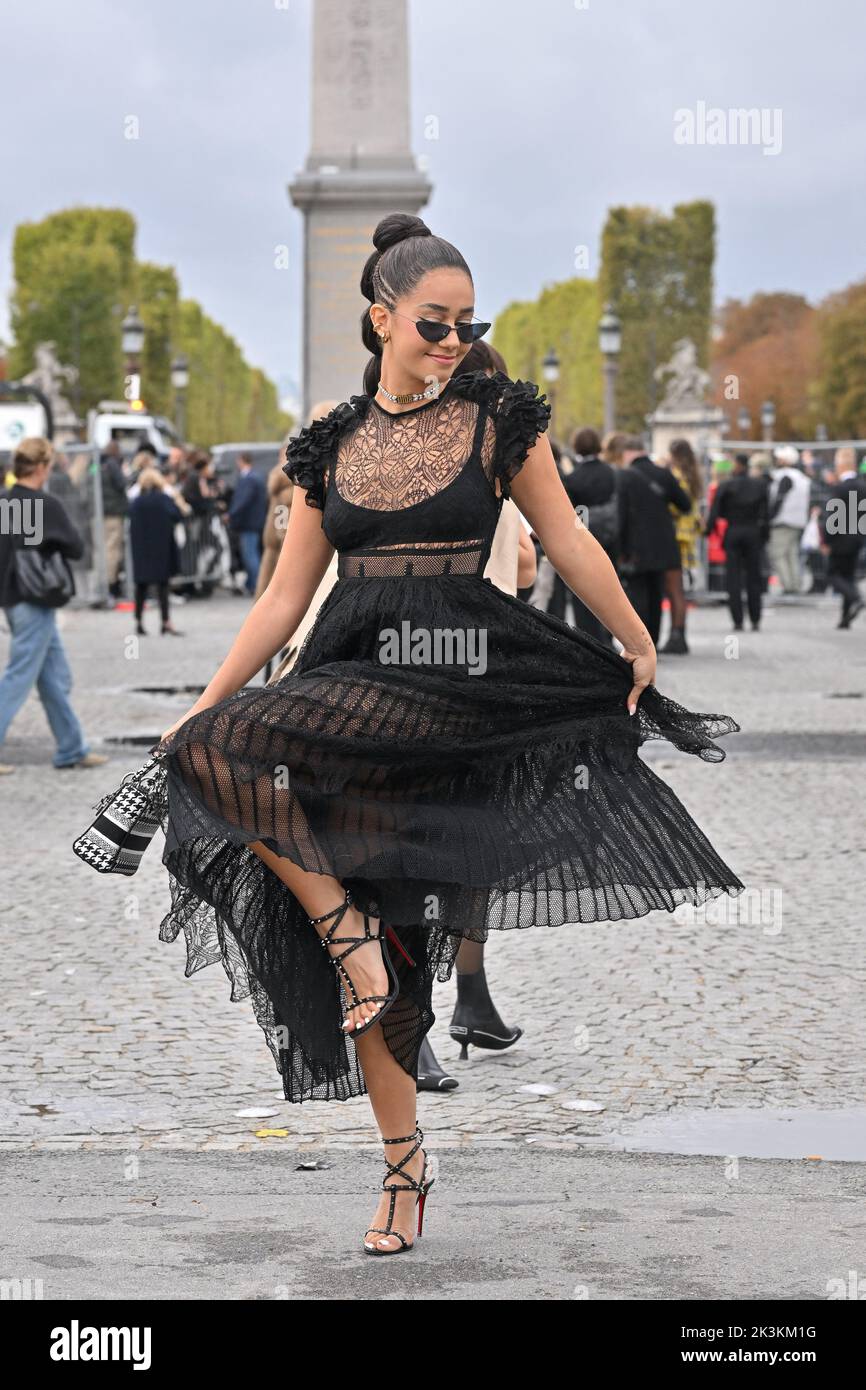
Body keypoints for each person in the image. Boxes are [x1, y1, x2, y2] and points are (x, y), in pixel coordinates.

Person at [141, 213, 742, 1255]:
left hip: (455, 689)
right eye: (434, 322)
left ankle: (356, 950)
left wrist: (636, 638)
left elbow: (564, 538)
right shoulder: (328, 441)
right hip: (351, 677)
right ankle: (400, 1147)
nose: (453, 340)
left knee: (386, 926)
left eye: (469, 322)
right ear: (380, 317)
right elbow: (285, 599)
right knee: (228, 769)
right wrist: (210, 692)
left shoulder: (497, 421)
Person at [0, 437, 109, 775]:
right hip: (38, 600)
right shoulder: (45, 505)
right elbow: (76, 548)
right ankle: (71, 748)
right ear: (43, 467)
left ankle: (71, 747)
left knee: (53, 676)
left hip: (13, 598)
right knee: (19, 676)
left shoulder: (6, 504)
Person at [616, 435, 692, 647]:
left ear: (627, 453)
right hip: (666, 542)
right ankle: (662, 638)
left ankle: (644, 643)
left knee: (639, 594)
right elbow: (685, 505)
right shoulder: (664, 474)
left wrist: (621, 549)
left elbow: (621, 515)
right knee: (658, 593)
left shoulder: (625, 477)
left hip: (637, 546)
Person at [555, 426, 619, 646]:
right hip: (611, 536)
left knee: (584, 587)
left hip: (585, 536)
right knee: (611, 586)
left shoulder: (574, 478)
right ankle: (611, 632)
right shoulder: (612, 473)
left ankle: (589, 638)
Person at [704, 453, 770, 630]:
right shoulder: (760, 485)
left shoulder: (726, 486)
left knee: (733, 578)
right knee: (753, 577)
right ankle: (755, 618)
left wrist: (708, 530)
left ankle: (737, 619)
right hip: (753, 531)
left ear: (737, 465)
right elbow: (766, 513)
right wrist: (764, 535)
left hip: (733, 530)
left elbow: (715, 512)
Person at [659, 438, 704, 655]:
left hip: (675, 535)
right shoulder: (694, 476)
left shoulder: (676, 477)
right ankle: (679, 632)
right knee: (678, 589)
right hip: (688, 536)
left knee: (674, 589)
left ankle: (677, 635)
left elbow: (676, 506)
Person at [128, 468, 186, 636]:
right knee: (163, 587)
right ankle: (165, 621)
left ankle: (138, 621)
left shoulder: (137, 502)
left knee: (140, 587)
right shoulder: (164, 499)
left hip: (142, 549)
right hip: (161, 548)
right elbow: (177, 515)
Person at [819, 446, 866, 629]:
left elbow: (832, 516)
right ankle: (845, 618)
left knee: (833, 575)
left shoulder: (838, 489)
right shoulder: (863, 487)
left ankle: (856, 598)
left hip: (839, 538)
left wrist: (826, 540)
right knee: (847, 575)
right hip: (858, 538)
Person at [767, 445, 811, 595]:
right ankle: (795, 585)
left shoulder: (782, 477)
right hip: (798, 520)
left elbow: (778, 500)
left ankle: (788, 586)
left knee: (778, 554)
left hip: (782, 521)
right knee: (792, 554)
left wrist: (770, 517)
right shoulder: (802, 477)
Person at [229, 454, 268, 595]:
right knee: (252, 554)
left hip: (249, 523)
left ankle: (257, 585)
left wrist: (231, 513)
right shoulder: (257, 477)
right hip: (256, 522)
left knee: (250, 555)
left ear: (241, 461)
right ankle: (252, 584)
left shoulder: (249, 479)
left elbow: (243, 500)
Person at [99, 440, 130, 600]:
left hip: (98, 514)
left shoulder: (97, 463)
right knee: (113, 550)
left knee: (102, 550)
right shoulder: (112, 464)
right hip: (113, 514)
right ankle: (111, 585)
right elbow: (121, 483)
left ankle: (102, 584)